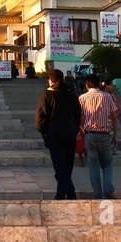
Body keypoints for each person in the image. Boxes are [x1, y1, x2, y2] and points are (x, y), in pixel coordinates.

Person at [35, 69, 82, 200]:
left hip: (54, 134)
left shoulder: (46, 95)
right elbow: (78, 115)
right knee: (67, 164)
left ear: (51, 80)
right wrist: (76, 129)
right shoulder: (71, 95)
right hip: (70, 133)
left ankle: (68, 193)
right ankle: (62, 193)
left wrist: (44, 132)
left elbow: (40, 118)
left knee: (59, 165)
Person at [78, 74, 120, 200]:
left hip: (89, 135)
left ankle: (97, 194)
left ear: (87, 84)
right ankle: (108, 189)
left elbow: (79, 118)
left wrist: (81, 131)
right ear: (99, 84)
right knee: (107, 164)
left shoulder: (82, 98)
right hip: (105, 134)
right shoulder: (107, 97)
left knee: (93, 165)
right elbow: (113, 116)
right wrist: (115, 134)